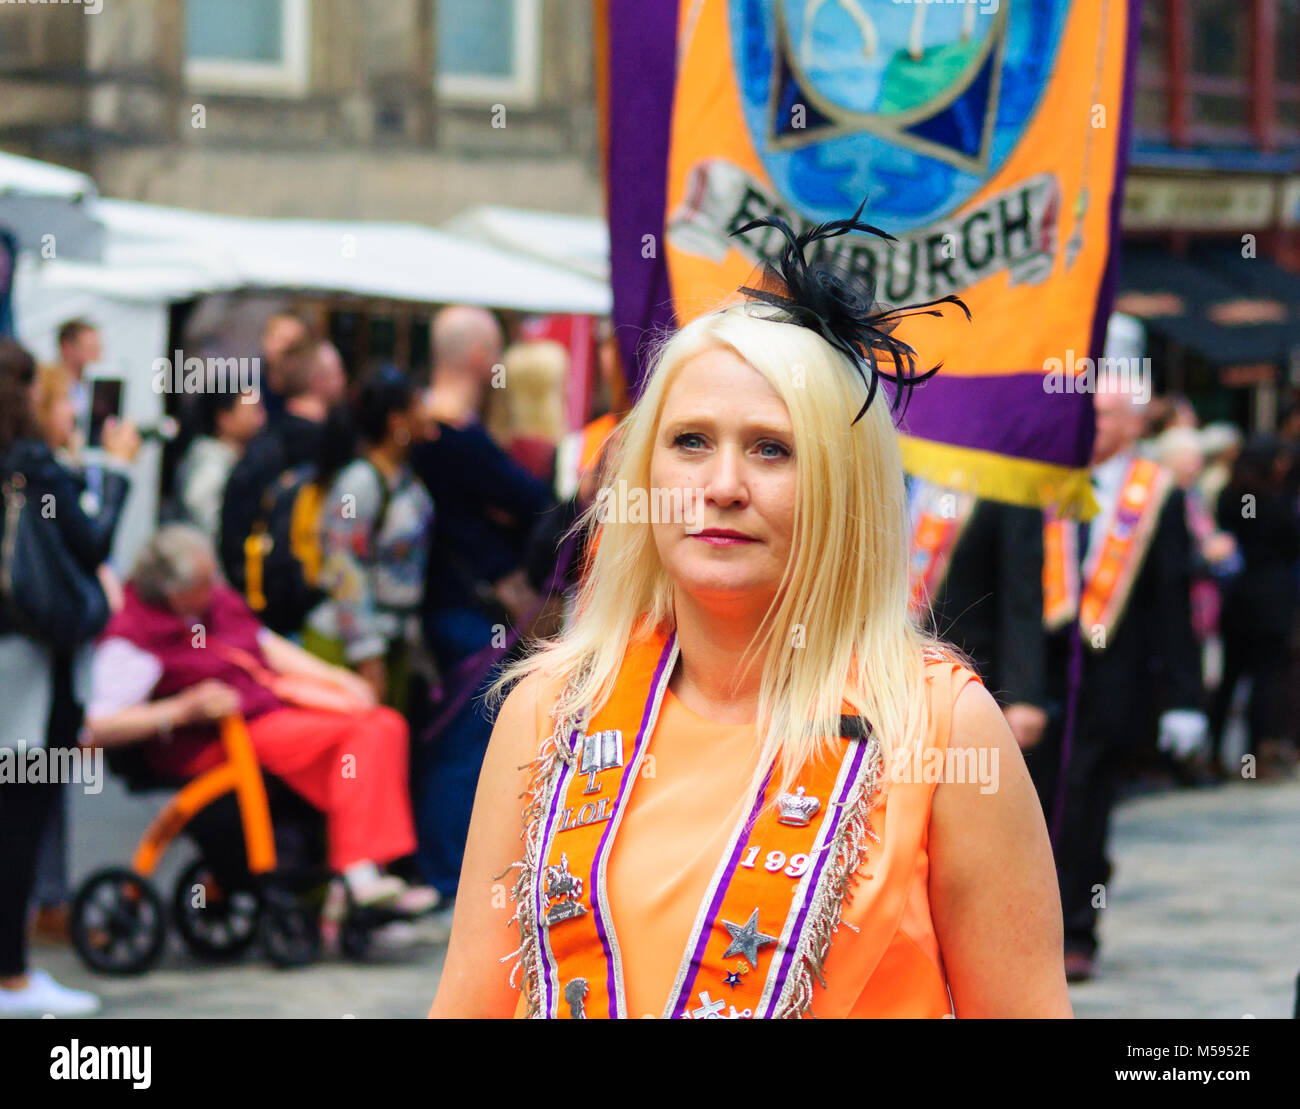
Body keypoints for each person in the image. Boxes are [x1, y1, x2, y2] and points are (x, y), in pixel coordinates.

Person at [429, 212, 1069, 1019]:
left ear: (842, 486)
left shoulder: (942, 728)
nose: (722, 484)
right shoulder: (550, 708)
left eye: (772, 448)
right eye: (691, 441)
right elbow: (469, 1002)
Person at [83, 525, 438, 915]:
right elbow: (99, 726)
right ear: (173, 592)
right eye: (203, 583)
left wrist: (338, 679)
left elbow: (268, 647)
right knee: (363, 734)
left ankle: (362, 872)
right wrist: (182, 709)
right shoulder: (134, 636)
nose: (213, 588)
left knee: (381, 724)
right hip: (214, 740)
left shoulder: (213, 603)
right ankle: (359, 871)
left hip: (265, 716)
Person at [1035, 381, 1206, 983]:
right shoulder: (1041, 482)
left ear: (1135, 425)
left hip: (1115, 681)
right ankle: (1027, 925)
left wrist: (1185, 699)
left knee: (1086, 805)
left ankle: (1077, 931)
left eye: (1104, 415)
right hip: (1039, 676)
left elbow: (1172, 601)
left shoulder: (1154, 494)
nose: (1090, 424)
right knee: (1033, 801)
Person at [0, 339, 136, 1017]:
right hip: (26, 670)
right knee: (21, 817)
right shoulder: (32, 468)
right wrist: (117, 470)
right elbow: (95, 540)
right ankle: (12, 977)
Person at [409, 307, 555, 900]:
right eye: (495, 354)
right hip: (467, 613)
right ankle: (446, 874)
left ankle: (442, 868)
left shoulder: (425, 427)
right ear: (477, 359)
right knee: (463, 743)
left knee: (459, 738)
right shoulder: (453, 436)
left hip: (446, 608)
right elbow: (531, 498)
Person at [305, 366, 435, 711]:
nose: (428, 411)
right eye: (418, 404)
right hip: (349, 645)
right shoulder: (360, 483)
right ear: (397, 420)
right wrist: (366, 652)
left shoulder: (405, 477)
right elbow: (343, 565)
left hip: (393, 638)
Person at [907, 481, 1048, 752]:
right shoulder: (893, 460)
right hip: (870, 668)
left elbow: (1021, 594)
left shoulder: (1006, 474)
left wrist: (1023, 694)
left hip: (961, 673)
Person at [218, 336, 340, 605]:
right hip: (318, 603)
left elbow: (231, 535)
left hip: (260, 599)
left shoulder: (259, 446)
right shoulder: (335, 452)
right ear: (321, 382)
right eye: (338, 373)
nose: (344, 380)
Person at [1209, 437, 1300, 778]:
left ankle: (1215, 752)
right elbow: (1289, 543)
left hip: (1238, 597)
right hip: (1270, 600)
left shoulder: (1230, 496)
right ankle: (1253, 758)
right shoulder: (1271, 501)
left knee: (1232, 676)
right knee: (1265, 679)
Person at [175, 387, 266, 540]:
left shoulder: (233, 457)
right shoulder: (210, 458)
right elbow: (198, 505)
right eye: (254, 410)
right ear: (224, 417)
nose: (262, 419)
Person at [484, 339, 568, 483]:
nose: (567, 390)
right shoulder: (547, 456)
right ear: (541, 394)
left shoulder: (494, 446)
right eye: (558, 384)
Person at [55, 318, 101, 437]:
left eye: (98, 349)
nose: (98, 356)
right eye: (91, 349)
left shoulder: (92, 388)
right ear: (67, 349)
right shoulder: (51, 389)